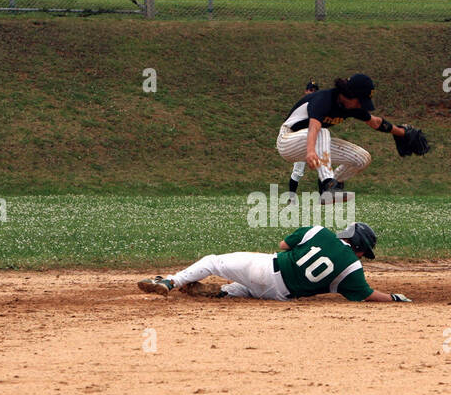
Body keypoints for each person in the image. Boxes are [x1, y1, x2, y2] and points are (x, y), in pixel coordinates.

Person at [137, 222, 412, 302]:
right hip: (280, 295)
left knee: (214, 261)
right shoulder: (352, 270)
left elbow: (283, 245)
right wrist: (395, 298)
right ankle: (222, 292)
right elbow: (366, 295)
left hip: (268, 268)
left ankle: (171, 281)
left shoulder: (320, 232)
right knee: (243, 288)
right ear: (360, 249)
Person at [275, 74, 411, 203]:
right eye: (360, 100)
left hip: (313, 141)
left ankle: (331, 186)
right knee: (322, 132)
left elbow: (375, 122)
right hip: (288, 140)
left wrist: (402, 132)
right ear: (350, 94)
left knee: (362, 158)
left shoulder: (351, 106)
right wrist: (311, 151)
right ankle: (329, 185)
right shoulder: (324, 99)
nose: (361, 105)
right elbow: (314, 127)